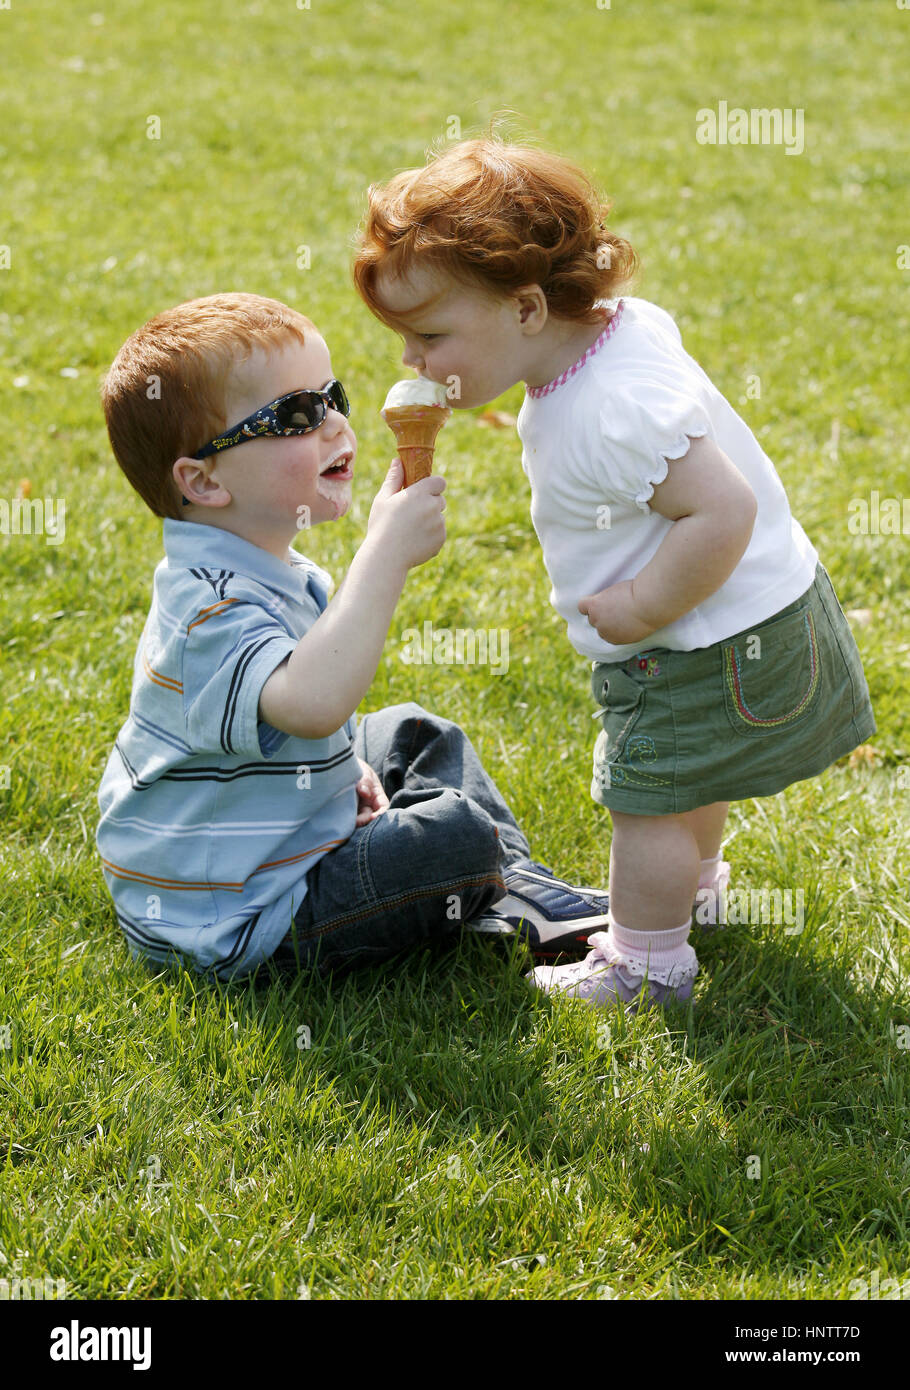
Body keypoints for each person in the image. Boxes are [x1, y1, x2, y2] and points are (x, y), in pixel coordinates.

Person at [352, 137, 876, 1011]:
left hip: (699, 637)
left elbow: (722, 510)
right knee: (690, 775)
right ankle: (697, 891)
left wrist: (642, 603)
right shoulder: (612, 336)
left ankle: (645, 965)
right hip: (752, 618)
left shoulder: (610, 408)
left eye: (429, 334)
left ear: (525, 308)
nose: (412, 361)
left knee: (647, 798)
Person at [95, 292, 610, 982]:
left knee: (410, 732)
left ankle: (516, 887)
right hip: (244, 917)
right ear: (203, 480)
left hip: (267, 836)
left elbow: (307, 719)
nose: (336, 423)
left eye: (331, 397)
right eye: (298, 415)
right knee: (449, 837)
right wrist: (384, 555)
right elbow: (311, 705)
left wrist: (340, 769)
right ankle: (492, 878)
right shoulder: (207, 611)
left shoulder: (268, 567)